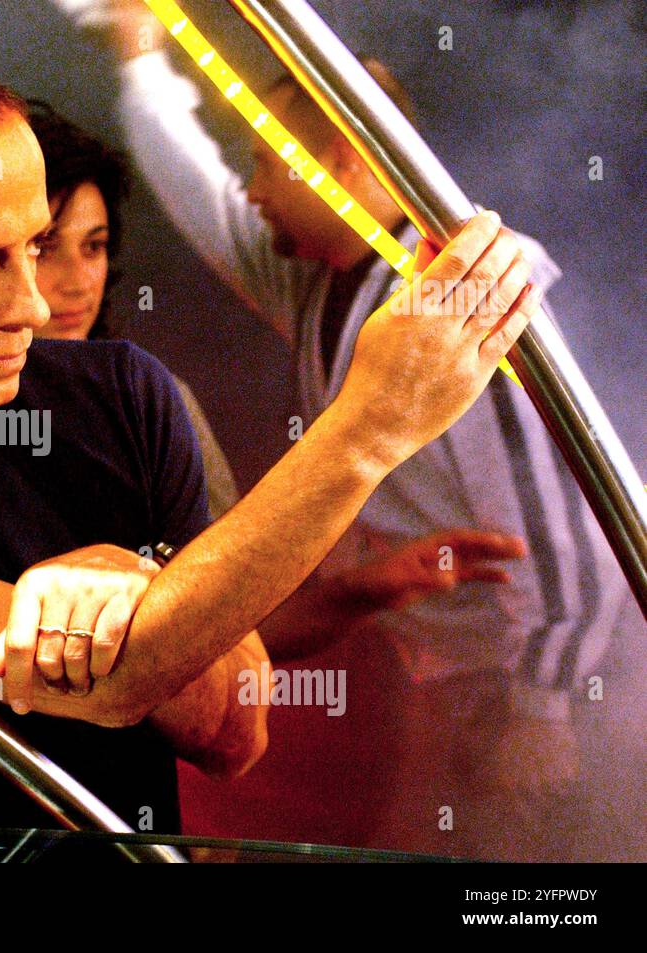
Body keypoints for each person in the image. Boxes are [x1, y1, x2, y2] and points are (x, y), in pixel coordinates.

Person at [0, 50, 540, 862]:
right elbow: (111, 682)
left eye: (38, 247)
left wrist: (129, 579)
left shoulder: (122, 392)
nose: (29, 303)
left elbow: (236, 732)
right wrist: (369, 426)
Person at [55, 0, 636, 859]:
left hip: (543, 684)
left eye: (262, 161)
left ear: (333, 158)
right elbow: (202, 197)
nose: (250, 188)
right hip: (454, 681)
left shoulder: (461, 284)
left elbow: (574, 518)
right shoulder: (327, 279)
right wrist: (140, 51)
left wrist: (542, 704)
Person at [27, 100, 527, 655]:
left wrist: (366, 590)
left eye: (94, 246)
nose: (76, 281)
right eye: (43, 248)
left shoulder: (149, 400)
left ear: (344, 158)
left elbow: (225, 626)